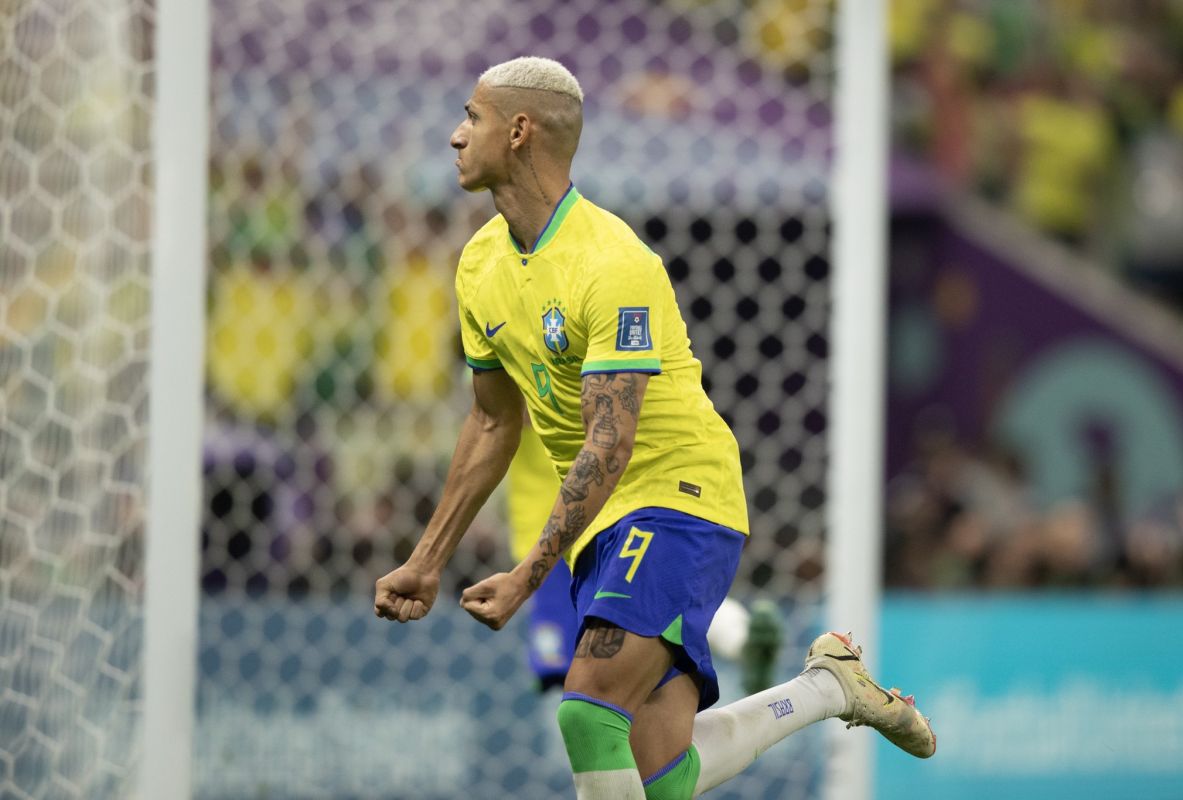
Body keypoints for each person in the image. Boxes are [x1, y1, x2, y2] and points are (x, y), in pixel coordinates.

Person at [375, 56, 935, 799]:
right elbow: (491, 419)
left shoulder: (612, 262)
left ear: (518, 132)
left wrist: (526, 576)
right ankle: (827, 687)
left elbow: (609, 443)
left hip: (679, 496)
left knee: (586, 711)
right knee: (663, 777)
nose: (455, 135)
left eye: (472, 117)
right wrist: (428, 559)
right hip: (600, 527)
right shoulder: (479, 264)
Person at [506, 414, 785, 695]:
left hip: (557, 540)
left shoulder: (536, 390)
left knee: (578, 671)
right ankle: (740, 639)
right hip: (615, 521)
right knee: (653, 612)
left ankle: (740, 641)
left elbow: (510, 409)